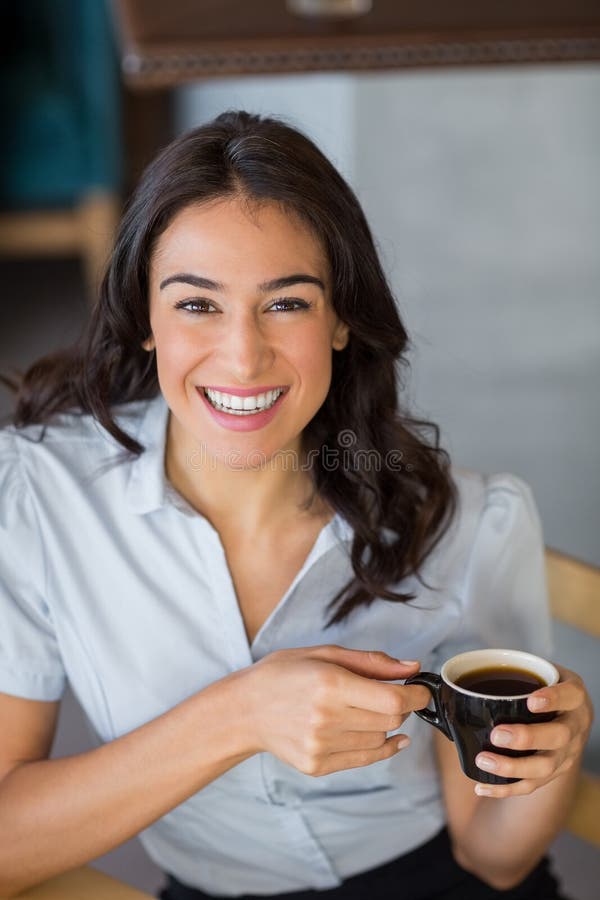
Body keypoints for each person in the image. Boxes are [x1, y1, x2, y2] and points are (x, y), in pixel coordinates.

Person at [0, 110, 592, 900]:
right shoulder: (41, 493)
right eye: (196, 304)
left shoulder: (465, 525)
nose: (242, 358)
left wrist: (558, 748)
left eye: (286, 304)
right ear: (144, 317)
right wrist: (238, 717)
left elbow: (496, 857)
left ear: (342, 318)